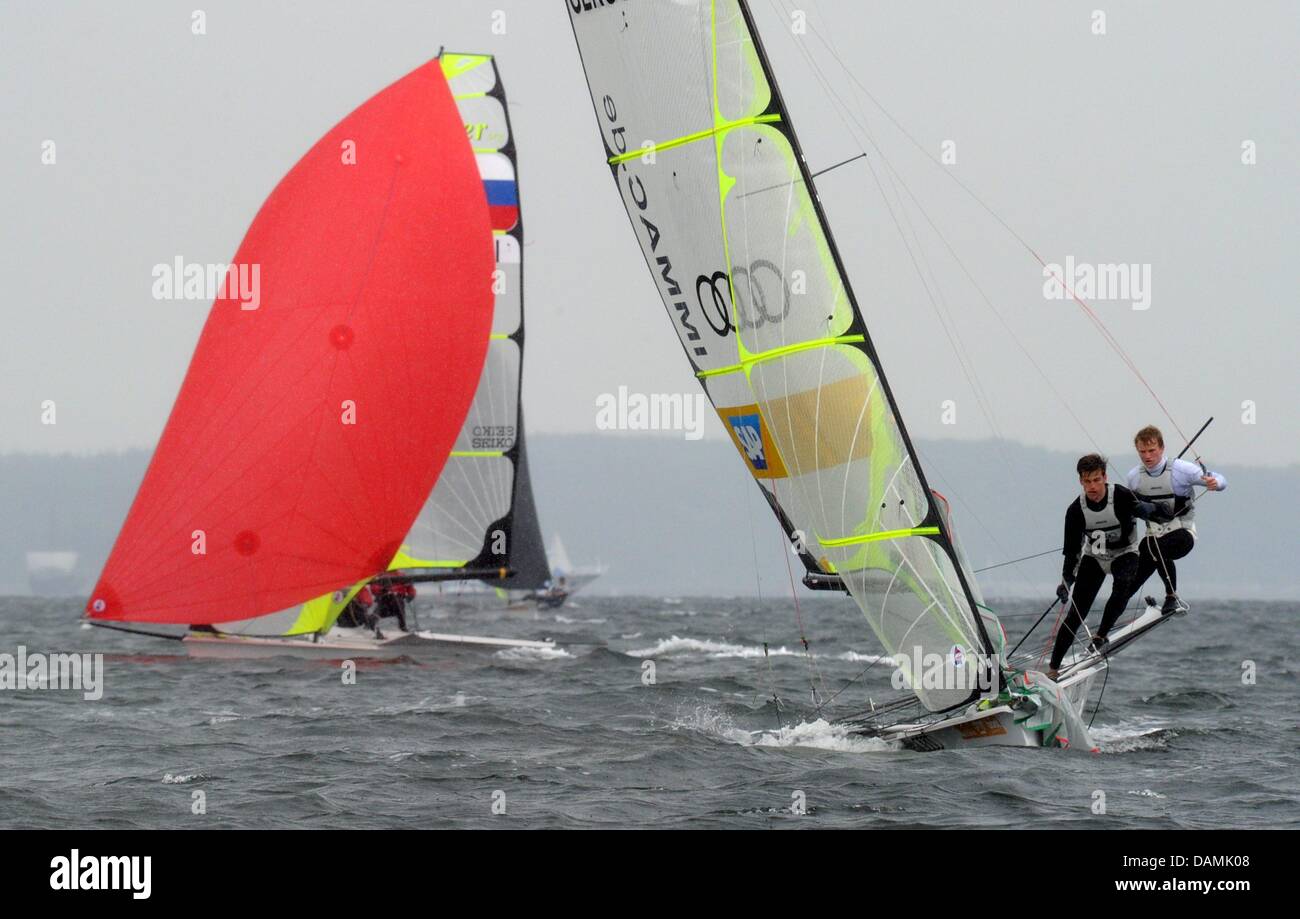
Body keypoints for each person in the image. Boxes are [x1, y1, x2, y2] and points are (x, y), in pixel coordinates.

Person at [1049, 453, 1158, 678]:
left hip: (1125, 554)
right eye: (1087, 481)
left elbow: (1149, 511)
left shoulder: (1120, 495)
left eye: (1097, 480)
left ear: (1105, 478)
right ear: (1081, 481)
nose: (1093, 487)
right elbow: (1072, 551)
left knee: (1122, 587)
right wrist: (1066, 581)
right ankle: (1053, 669)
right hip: (1095, 558)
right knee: (1076, 613)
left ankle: (1100, 636)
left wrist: (1152, 509)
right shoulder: (1076, 511)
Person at [1127, 425, 1227, 615]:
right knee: (1127, 586)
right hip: (1152, 539)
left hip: (1182, 535)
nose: (1147, 456)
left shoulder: (1181, 469)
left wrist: (1216, 483)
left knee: (1156, 546)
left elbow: (1220, 479)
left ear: (1162, 448)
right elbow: (1128, 513)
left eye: (1151, 450)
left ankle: (1171, 597)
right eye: (1142, 452)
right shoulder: (1134, 478)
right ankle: (1101, 636)